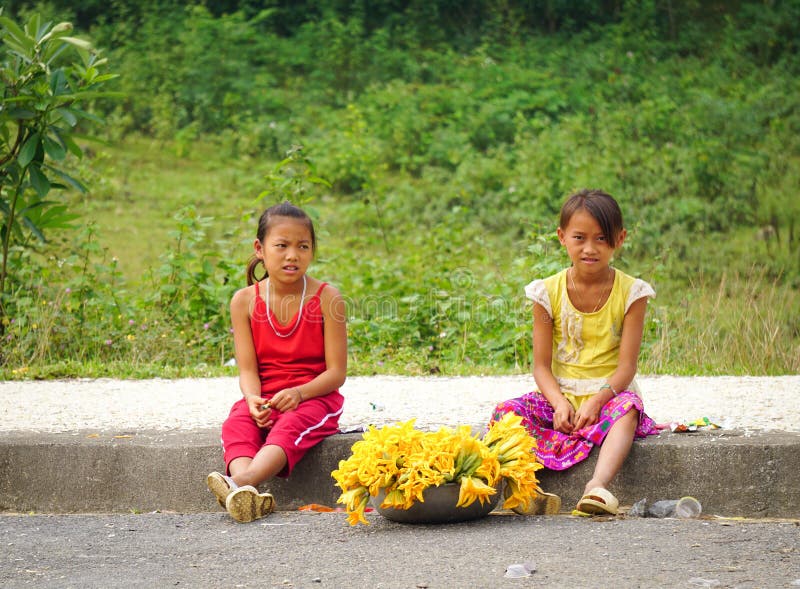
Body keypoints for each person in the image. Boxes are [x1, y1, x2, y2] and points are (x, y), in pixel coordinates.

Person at [490, 188, 659, 516]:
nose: (590, 248)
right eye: (579, 238)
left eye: (601, 239)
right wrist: (558, 403)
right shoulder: (546, 292)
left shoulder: (632, 293)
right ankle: (524, 490)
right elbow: (541, 366)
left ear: (619, 239)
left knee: (628, 411)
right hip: (561, 393)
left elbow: (627, 367)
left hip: (610, 393)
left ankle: (595, 487)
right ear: (562, 237)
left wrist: (598, 401)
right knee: (505, 412)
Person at [206, 201, 347, 523]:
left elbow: (337, 373)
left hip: (316, 397)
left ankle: (239, 483)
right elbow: (248, 369)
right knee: (238, 422)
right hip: (267, 393)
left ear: (313, 251)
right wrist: (253, 399)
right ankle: (245, 495)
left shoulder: (327, 298)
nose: (292, 255)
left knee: (289, 427)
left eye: (303, 246)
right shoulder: (244, 301)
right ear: (259, 248)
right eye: (281, 246)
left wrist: (299, 393)